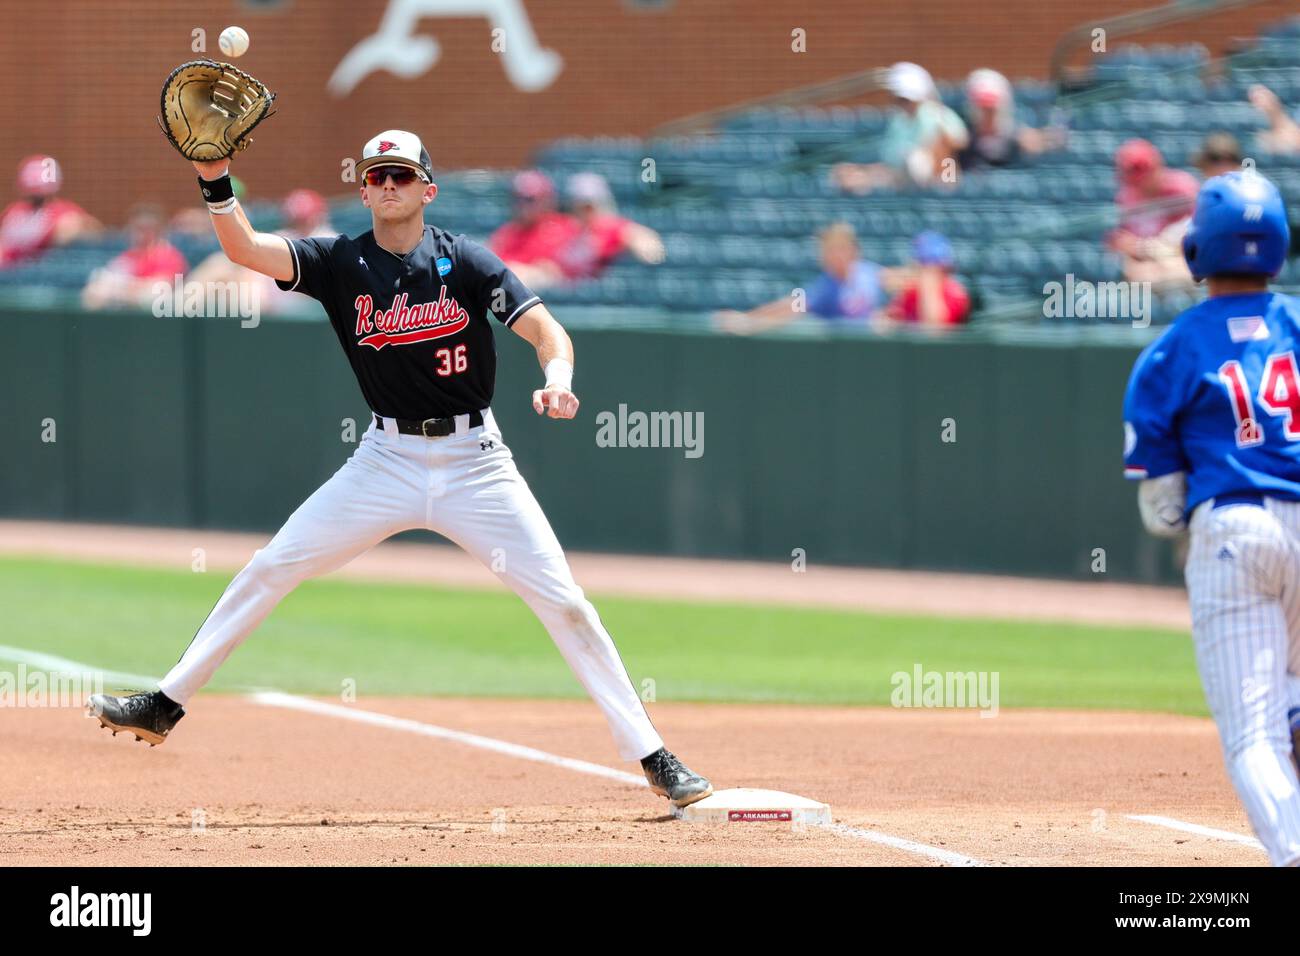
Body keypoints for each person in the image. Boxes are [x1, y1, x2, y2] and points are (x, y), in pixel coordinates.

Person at [86, 128, 713, 809]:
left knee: (565, 602)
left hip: (477, 464)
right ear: (362, 190)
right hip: (384, 459)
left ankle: (652, 755)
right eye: (378, 176)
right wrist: (215, 176)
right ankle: (165, 704)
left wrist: (558, 376)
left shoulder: (466, 261)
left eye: (402, 175)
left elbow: (545, 330)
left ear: (427, 189)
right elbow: (242, 247)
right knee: (273, 566)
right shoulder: (338, 262)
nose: (389, 185)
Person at [1122, 170, 1300, 867]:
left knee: (1251, 736)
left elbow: (1162, 506)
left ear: (1199, 248)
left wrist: (1182, 520)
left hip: (1233, 530)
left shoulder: (1171, 350)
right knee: (1287, 700)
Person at [714, 222, 893, 333]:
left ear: (854, 250)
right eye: (829, 249)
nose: (835, 255)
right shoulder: (824, 287)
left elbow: (905, 286)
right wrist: (749, 321)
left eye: (840, 248)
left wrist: (888, 317)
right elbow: (790, 306)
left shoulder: (870, 273)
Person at [186, 187, 336, 317]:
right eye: (295, 219)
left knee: (239, 295)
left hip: (290, 306)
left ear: (318, 217)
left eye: (304, 219)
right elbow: (253, 261)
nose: (299, 223)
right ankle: (176, 310)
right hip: (261, 300)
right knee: (219, 264)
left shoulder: (329, 241)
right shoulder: (287, 234)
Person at [832, 62, 969, 194]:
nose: (903, 103)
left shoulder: (938, 114)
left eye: (906, 99)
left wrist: (937, 158)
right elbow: (891, 160)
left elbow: (956, 146)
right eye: (900, 99)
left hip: (940, 178)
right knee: (847, 174)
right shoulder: (899, 120)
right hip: (900, 178)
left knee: (915, 162)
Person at [1109, 139, 1199, 288]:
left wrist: (1143, 247)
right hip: (1145, 269)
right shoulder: (1126, 197)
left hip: (1181, 264)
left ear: (1157, 167)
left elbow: (1193, 240)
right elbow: (1122, 246)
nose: (1141, 183)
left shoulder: (1182, 188)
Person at [555, 172, 664, 280]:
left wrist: (643, 242)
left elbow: (639, 236)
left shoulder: (609, 227)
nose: (587, 211)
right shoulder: (561, 228)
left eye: (590, 206)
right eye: (582, 206)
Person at [81, 204, 187, 310]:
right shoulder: (126, 256)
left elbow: (161, 287)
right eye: (137, 229)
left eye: (147, 229)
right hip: (126, 307)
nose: (141, 234)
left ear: (159, 230)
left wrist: (126, 288)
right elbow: (102, 285)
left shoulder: (170, 255)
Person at [0, 155, 101, 267]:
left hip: (41, 273)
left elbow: (96, 233)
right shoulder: (14, 211)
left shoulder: (65, 212)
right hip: (9, 269)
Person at [488, 169, 578, 289]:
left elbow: (560, 272)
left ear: (547, 200)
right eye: (517, 198)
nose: (522, 205)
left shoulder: (566, 227)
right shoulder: (506, 233)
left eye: (529, 199)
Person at [956, 68, 1062, 170]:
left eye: (991, 109)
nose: (987, 114)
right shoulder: (960, 141)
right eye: (982, 108)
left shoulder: (1020, 138)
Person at [878, 231, 970, 327]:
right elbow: (891, 320)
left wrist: (927, 283)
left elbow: (934, 328)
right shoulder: (911, 292)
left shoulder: (955, 292)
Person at [1248, 84, 1300, 155]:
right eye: (1254, 101)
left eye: (1263, 97)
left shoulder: (1295, 128)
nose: (1260, 104)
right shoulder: (1261, 138)